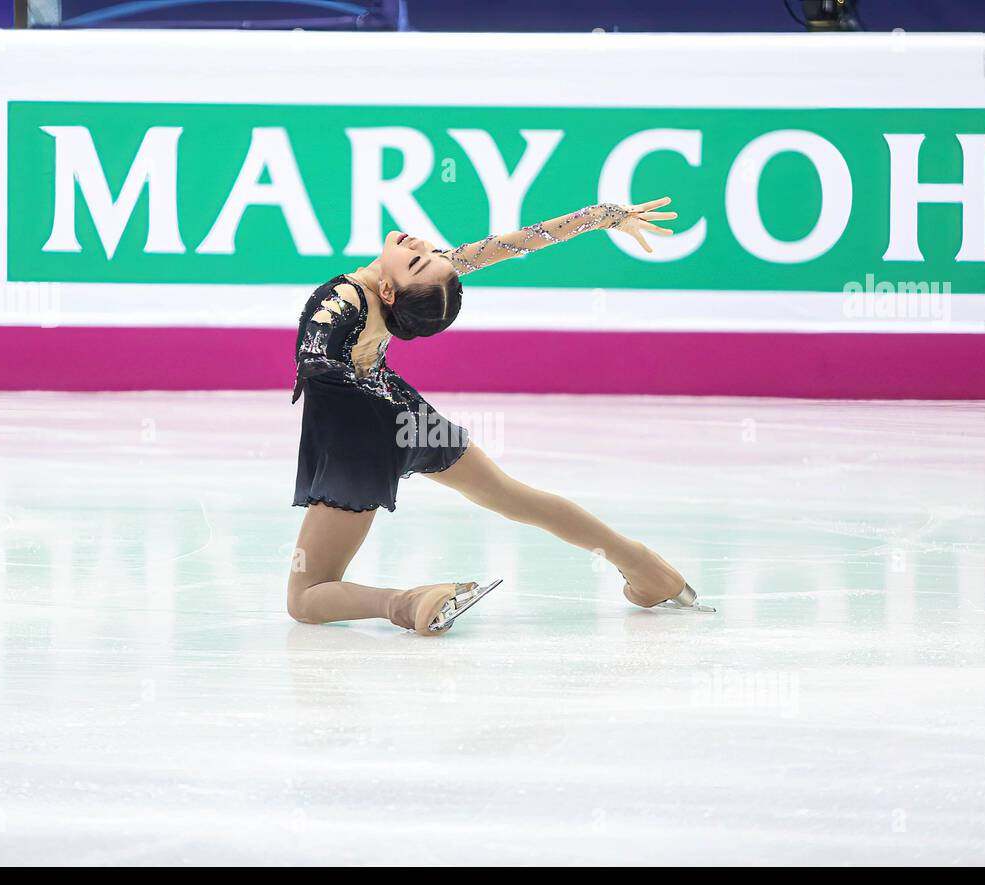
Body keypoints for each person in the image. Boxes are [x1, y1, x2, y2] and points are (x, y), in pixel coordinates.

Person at [286, 196, 716, 636]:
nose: (423, 248)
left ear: (391, 292)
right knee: (510, 495)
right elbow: (515, 244)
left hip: (361, 438)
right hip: (406, 418)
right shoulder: (402, 285)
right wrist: (598, 216)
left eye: (422, 260)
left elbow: (319, 360)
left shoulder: (341, 298)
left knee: (307, 596)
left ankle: (410, 603)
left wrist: (326, 384)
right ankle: (644, 566)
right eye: (427, 257)